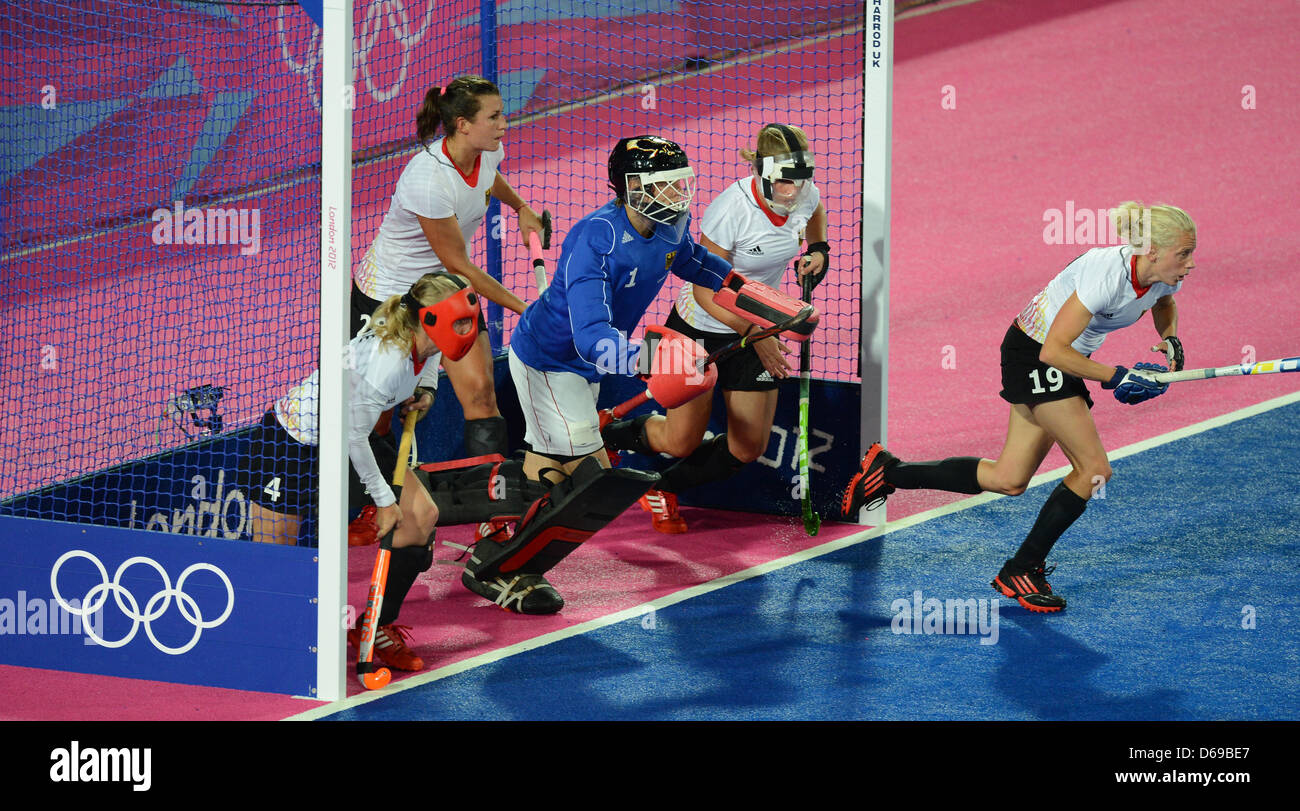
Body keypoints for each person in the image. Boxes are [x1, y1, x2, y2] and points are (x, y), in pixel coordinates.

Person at [841, 202, 1197, 612]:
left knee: (1009, 479)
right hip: (1037, 355)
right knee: (1094, 470)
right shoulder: (1108, 273)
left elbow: (1163, 301)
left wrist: (1170, 337)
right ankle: (1022, 568)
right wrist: (1116, 375)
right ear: (1151, 250)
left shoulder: (1164, 275)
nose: (1190, 264)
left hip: (1062, 360)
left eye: (1191, 253)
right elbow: (1053, 351)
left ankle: (888, 472)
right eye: (1183, 254)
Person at [479, 135, 733, 611]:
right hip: (550, 361)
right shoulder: (593, 237)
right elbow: (591, 338)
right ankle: (506, 567)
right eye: (665, 187)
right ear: (632, 187)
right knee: (589, 483)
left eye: (681, 184)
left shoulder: (671, 226)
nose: (678, 196)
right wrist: (653, 360)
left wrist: (762, 299)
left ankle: (504, 538)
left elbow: (695, 263)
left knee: (557, 466)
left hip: (589, 366)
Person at [242, 272, 481, 671]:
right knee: (275, 563)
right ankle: (273, 640)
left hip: (356, 435)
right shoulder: (387, 363)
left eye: (467, 320)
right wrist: (384, 502)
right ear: (430, 320)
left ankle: (373, 626)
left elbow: (431, 360)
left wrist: (426, 391)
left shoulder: (423, 337)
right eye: (458, 322)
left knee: (420, 517)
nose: (467, 330)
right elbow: (351, 435)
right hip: (294, 441)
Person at [601, 123, 829, 533]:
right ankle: (611, 433)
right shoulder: (731, 209)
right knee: (681, 440)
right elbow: (706, 290)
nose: (792, 193)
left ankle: (664, 487)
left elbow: (813, 213)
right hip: (698, 327)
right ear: (761, 172)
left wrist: (817, 248)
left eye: (800, 183)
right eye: (783, 184)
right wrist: (757, 337)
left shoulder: (803, 191)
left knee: (748, 447)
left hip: (757, 327)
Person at [351, 75, 543, 461]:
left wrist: (521, 207)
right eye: (494, 117)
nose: (504, 123)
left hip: (445, 289)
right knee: (380, 413)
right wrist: (526, 308)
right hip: (391, 296)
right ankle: (373, 504)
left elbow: (489, 179)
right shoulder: (428, 178)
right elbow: (459, 263)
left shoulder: (488, 150)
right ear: (463, 125)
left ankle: (492, 503)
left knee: (481, 394)